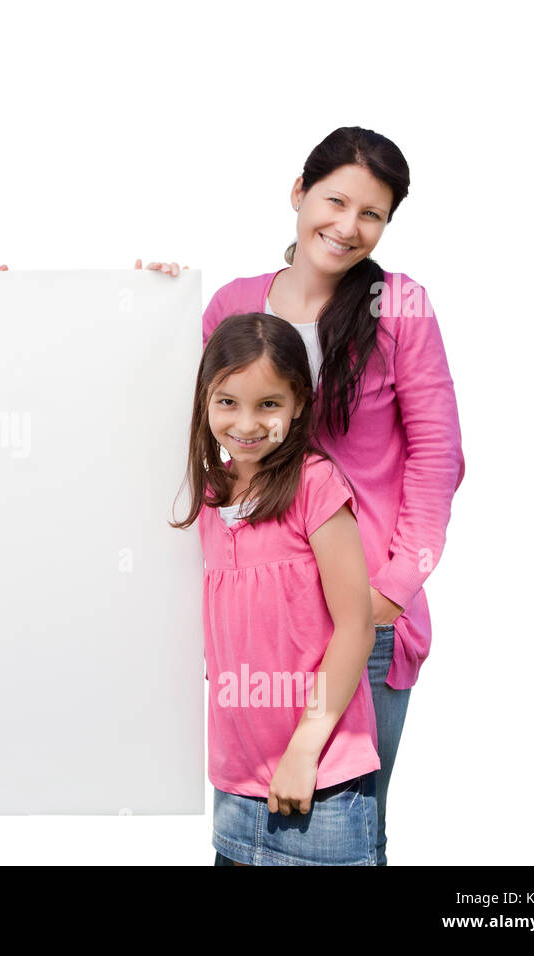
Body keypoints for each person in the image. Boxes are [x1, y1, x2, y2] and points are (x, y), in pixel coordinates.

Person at [151, 126, 466, 864]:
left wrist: (394, 586)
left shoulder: (401, 306)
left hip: (366, 607)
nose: (348, 226)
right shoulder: (235, 301)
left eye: (372, 215)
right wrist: (151, 302)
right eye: (335, 201)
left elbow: (439, 455)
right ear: (298, 194)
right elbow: (194, 412)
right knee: (262, 813)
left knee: (354, 826)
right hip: (268, 609)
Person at [173, 312, 380, 865]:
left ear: (298, 405)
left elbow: (356, 627)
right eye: (227, 402)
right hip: (236, 783)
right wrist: (155, 292)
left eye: (269, 404)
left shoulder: (315, 485)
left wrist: (304, 750)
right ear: (204, 401)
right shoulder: (209, 495)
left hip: (321, 777)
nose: (247, 423)